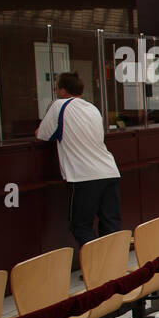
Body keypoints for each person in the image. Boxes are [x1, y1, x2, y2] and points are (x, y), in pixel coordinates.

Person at [35, 71, 121, 247]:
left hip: (84, 176)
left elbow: (42, 134)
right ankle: (112, 267)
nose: (55, 90)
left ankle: (97, 268)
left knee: (80, 225)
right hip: (109, 171)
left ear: (63, 90)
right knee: (110, 223)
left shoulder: (59, 105)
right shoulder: (92, 108)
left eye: (56, 86)